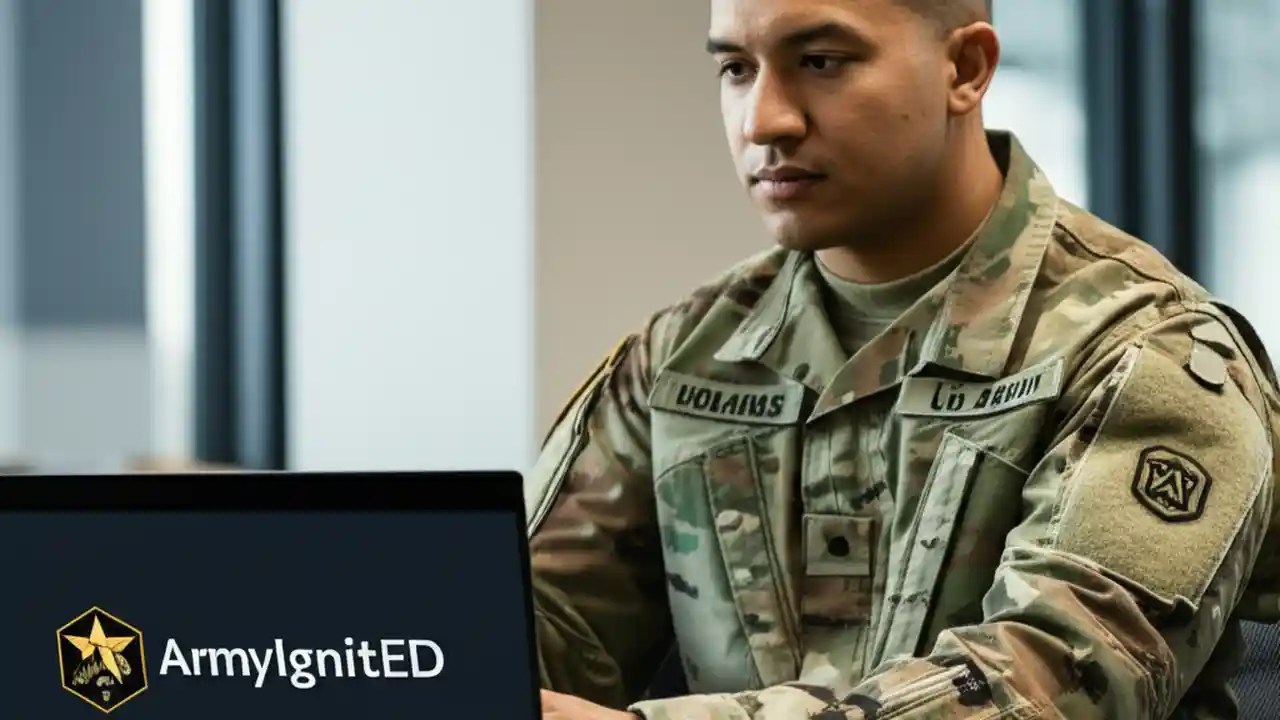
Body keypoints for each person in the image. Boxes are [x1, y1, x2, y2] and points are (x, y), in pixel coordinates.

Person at [528, 0, 1280, 717]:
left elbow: (1056, 683)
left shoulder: (1144, 352)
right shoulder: (685, 358)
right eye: (735, 70)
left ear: (966, 69)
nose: (764, 120)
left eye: (821, 61)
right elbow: (527, 625)